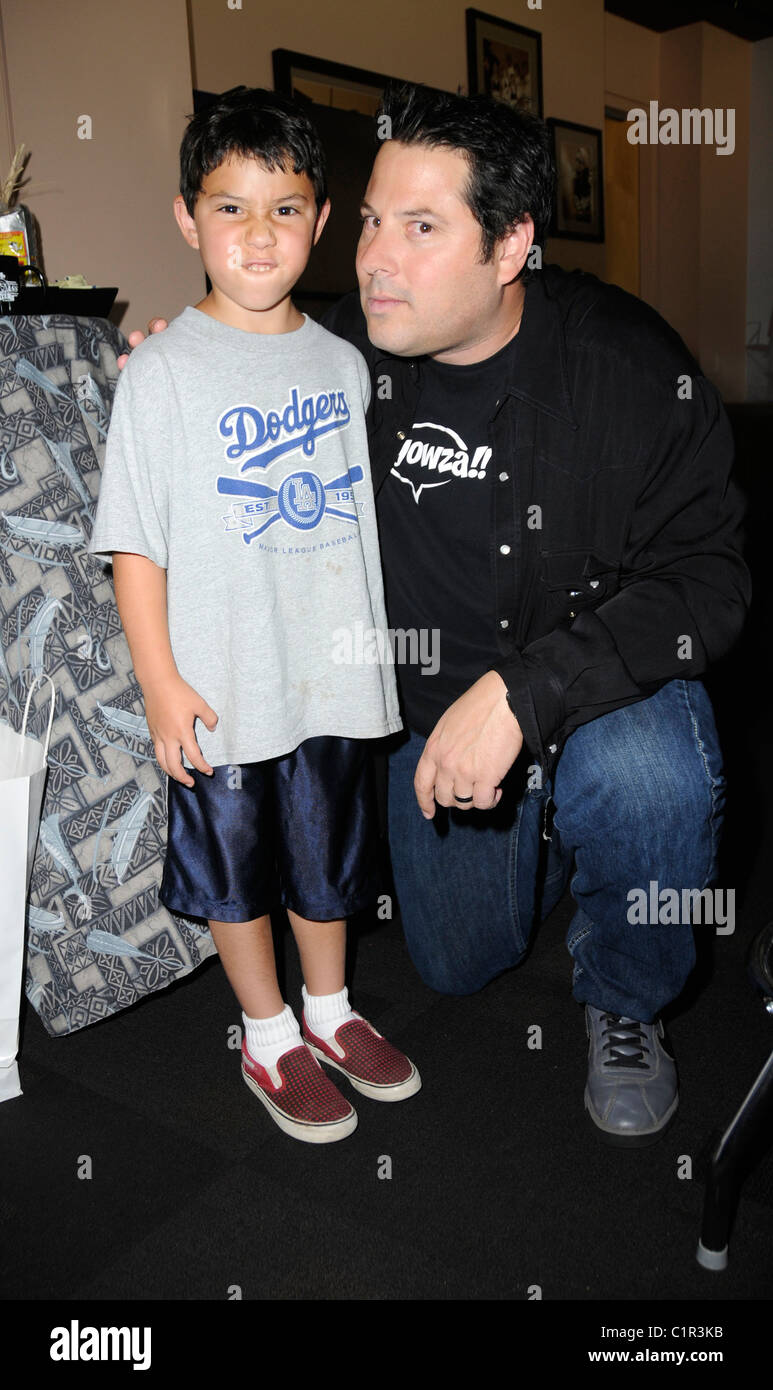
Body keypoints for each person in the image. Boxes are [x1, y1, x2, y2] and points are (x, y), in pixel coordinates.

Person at [129, 82, 749, 1147]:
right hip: (423, 729)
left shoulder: (629, 369)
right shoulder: (334, 359)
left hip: (591, 692)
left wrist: (528, 690)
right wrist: (175, 363)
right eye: (371, 218)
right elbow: (225, 392)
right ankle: (553, 841)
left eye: (421, 229)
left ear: (508, 246)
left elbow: (710, 579)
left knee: (644, 775)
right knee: (458, 966)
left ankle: (625, 997)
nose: (374, 258)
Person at [89, 86, 420, 1146]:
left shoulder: (344, 361)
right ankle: (265, 1028)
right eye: (229, 207)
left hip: (330, 678)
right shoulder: (162, 373)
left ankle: (328, 1011)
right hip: (222, 686)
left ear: (321, 222)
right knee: (237, 871)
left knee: (328, 863)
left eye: (284, 208)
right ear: (187, 219)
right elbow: (134, 541)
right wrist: (159, 681)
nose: (258, 232)